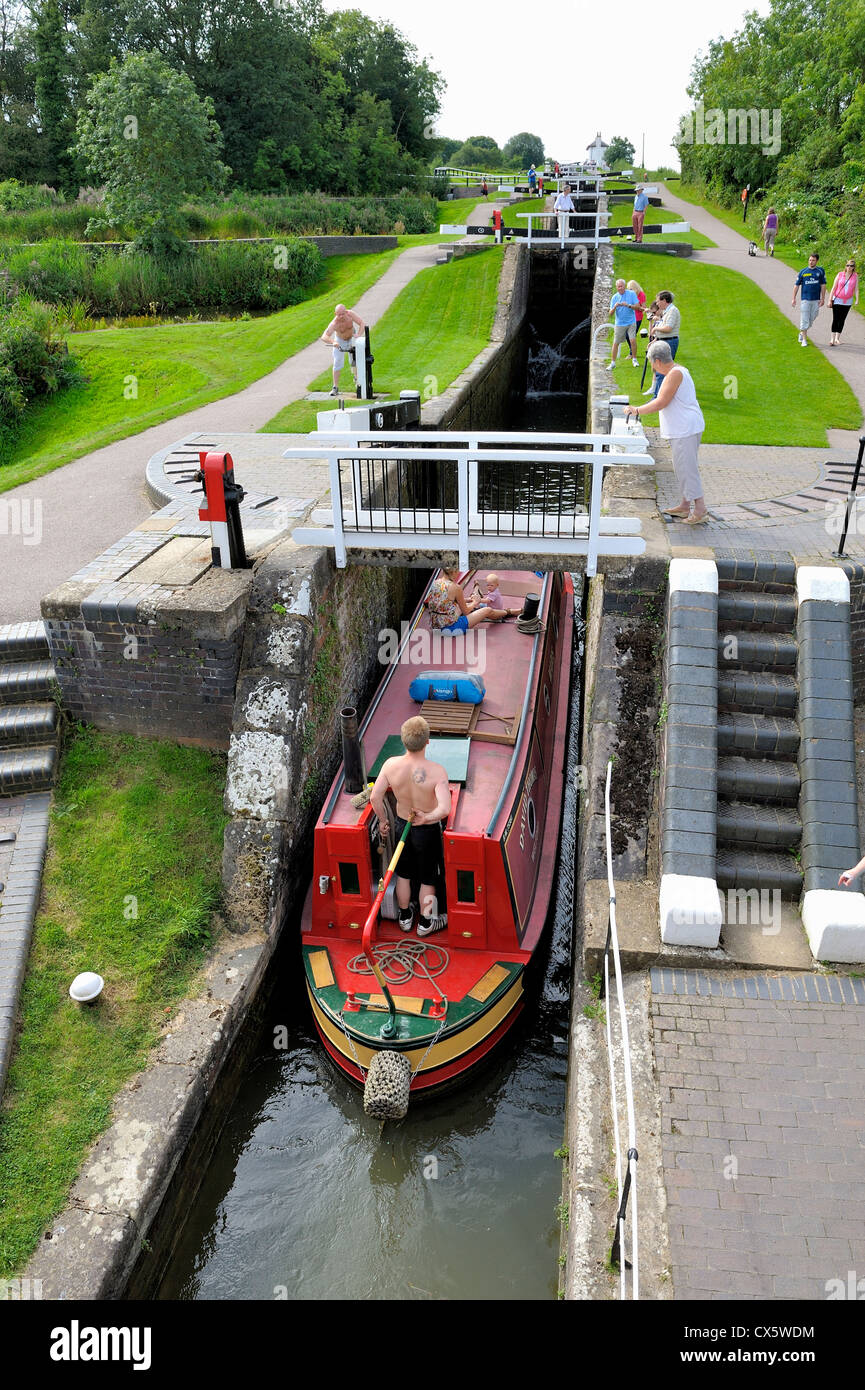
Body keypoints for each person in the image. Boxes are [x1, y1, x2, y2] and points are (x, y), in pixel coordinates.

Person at [370, 716, 450, 937]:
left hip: (401, 823)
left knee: (403, 873)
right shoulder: (437, 772)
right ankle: (427, 922)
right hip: (427, 830)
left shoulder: (390, 765)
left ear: (403, 742)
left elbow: (375, 797)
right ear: (427, 741)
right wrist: (427, 818)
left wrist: (383, 821)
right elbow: (444, 809)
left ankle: (405, 918)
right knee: (428, 877)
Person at [625, 341, 707, 524]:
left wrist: (637, 410)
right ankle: (685, 506)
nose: (652, 367)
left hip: (685, 429)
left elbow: (661, 402)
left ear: (658, 361)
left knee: (687, 469)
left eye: (651, 363)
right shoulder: (677, 370)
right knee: (682, 467)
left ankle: (700, 510)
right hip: (684, 429)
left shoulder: (674, 374)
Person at [427, 569, 511, 631]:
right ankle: (508, 612)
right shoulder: (456, 587)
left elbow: (447, 600)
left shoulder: (435, 582)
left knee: (463, 606)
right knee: (487, 610)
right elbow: (466, 611)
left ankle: (505, 612)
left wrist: (469, 600)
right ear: (455, 571)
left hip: (435, 626)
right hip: (450, 628)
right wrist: (475, 602)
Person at [321, 303, 365, 395]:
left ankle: (358, 382)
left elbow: (362, 323)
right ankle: (335, 387)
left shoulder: (350, 314)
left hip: (351, 338)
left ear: (346, 311)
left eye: (342, 314)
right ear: (335, 314)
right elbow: (324, 336)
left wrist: (358, 335)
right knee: (337, 362)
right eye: (339, 314)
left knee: (354, 361)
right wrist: (333, 342)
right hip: (339, 341)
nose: (341, 316)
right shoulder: (334, 323)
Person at [647, 290, 680, 396]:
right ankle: (659, 395)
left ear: (664, 300)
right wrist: (655, 340)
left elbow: (668, 328)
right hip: (664, 341)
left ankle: (658, 397)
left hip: (669, 342)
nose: (656, 303)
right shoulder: (667, 311)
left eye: (658, 301)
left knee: (662, 369)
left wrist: (655, 328)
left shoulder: (672, 311)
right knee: (659, 369)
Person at [792, 251, 826, 347]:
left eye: (813, 260)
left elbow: (823, 285)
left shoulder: (820, 271)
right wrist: (793, 298)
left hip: (816, 299)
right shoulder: (803, 272)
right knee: (804, 319)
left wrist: (823, 298)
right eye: (810, 260)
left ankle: (801, 332)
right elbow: (796, 285)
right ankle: (804, 340)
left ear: (817, 261)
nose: (811, 262)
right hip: (805, 299)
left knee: (812, 318)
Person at [608, 277, 640, 368]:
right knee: (616, 342)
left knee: (632, 340)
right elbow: (610, 314)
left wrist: (628, 305)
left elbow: (638, 307)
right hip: (620, 323)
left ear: (625, 286)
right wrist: (614, 307)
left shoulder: (631, 294)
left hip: (631, 322)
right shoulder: (614, 297)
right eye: (618, 287)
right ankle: (613, 363)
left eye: (621, 286)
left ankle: (634, 359)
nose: (620, 288)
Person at [829, 258, 859, 345]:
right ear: (845, 266)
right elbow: (833, 288)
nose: (849, 267)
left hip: (848, 301)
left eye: (851, 266)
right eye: (848, 265)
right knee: (836, 319)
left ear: (854, 267)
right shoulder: (840, 274)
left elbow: (856, 289)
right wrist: (830, 300)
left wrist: (857, 299)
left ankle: (837, 339)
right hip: (838, 300)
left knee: (842, 319)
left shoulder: (855, 276)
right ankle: (832, 339)